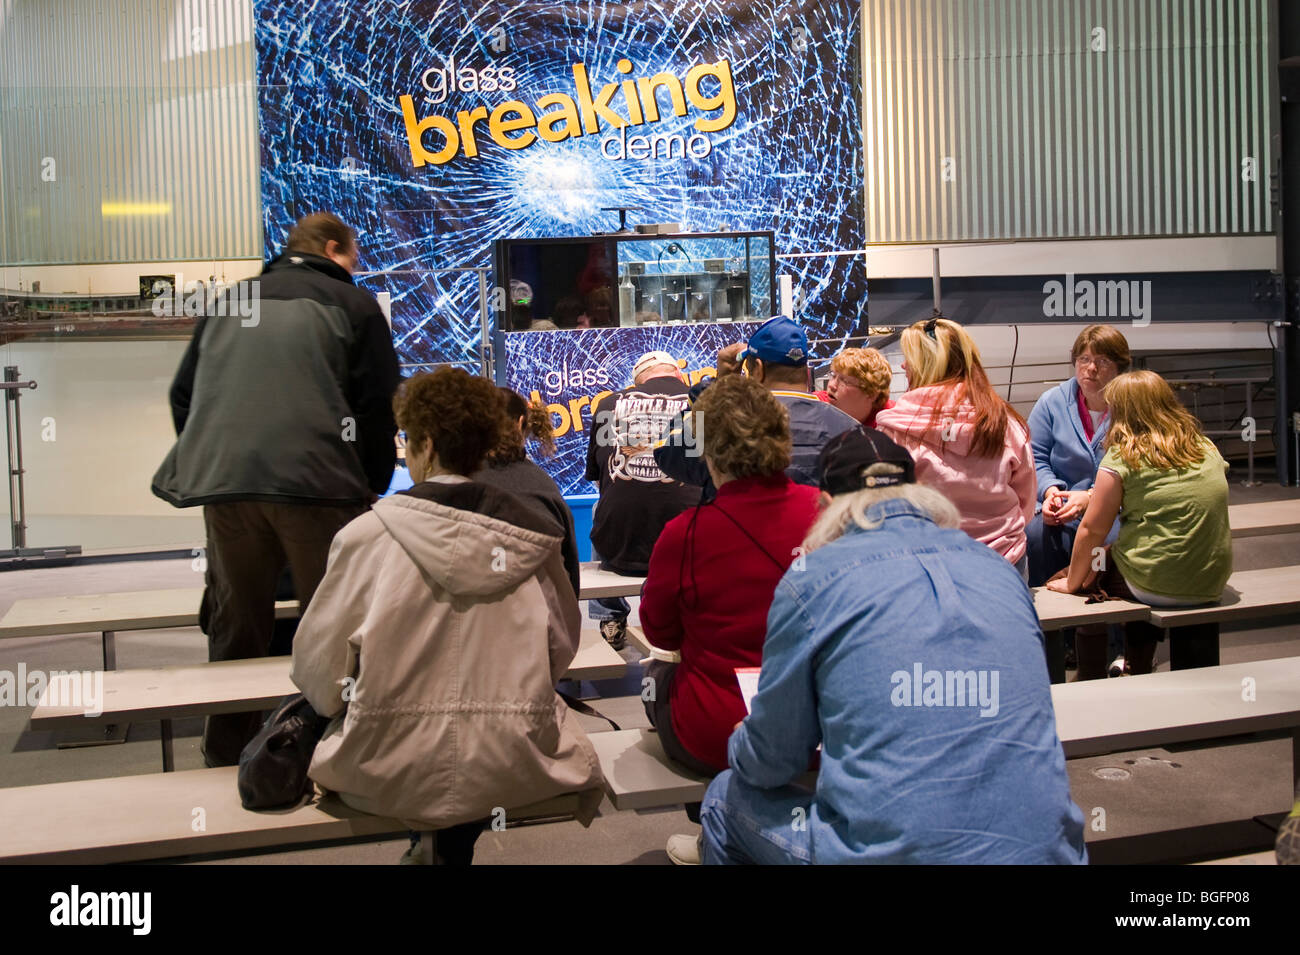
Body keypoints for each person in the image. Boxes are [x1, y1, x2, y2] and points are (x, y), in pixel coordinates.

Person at [699, 428, 1088, 865]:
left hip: (888, 855)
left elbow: (774, 760)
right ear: (919, 491)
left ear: (826, 507)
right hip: (1047, 853)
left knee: (722, 798)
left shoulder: (813, 578)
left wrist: (742, 744)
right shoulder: (998, 571)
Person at [291, 368, 603, 864]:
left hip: (385, 765)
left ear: (427, 445)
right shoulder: (532, 540)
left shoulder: (364, 538)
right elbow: (559, 652)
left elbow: (318, 675)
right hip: (514, 760)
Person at [152, 212, 400, 766]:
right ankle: (326, 747)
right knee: (328, 620)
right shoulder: (354, 306)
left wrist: (221, 461)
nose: (356, 267)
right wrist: (369, 485)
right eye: (354, 256)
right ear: (335, 248)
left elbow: (182, 396)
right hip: (317, 487)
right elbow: (377, 408)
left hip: (226, 487)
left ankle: (225, 746)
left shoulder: (230, 301)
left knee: (236, 619)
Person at [638, 376, 821, 865]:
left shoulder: (685, 534)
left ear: (708, 451)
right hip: (818, 729)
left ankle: (714, 826)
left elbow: (659, 633)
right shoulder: (829, 513)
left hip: (716, 731)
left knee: (654, 677)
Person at [1046, 371, 1232, 678]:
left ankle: (1089, 673)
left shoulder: (1122, 457)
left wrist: (1071, 582)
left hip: (1154, 581)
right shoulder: (1205, 447)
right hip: (1211, 580)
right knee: (1132, 563)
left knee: (1090, 568)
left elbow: (1093, 530)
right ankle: (1135, 664)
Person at [875, 317, 1035, 577]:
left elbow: (886, 511)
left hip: (927, 569)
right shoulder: (1005, 423)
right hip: (1004, 566)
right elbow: (1026, 501)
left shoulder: (895, 429)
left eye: (910, 358)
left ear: (929, 364)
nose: (903, 365)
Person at [655, 318, 857, 491]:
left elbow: (667, 451)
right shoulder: (850, 430)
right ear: (806, 371)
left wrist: (720, 390)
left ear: (758, 369)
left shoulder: (726, 428)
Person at [585, 350, 699, 649]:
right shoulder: (701, 401)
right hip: (688, 548)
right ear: (678, 374)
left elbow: (601, 478)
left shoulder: (609, 404)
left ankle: (610, 615)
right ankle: (689, 616)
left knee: (601, 504)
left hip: (621, 548)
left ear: (636, 382)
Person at [1026, 325, 1131, 587]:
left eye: (1102, 361)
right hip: (1062, 505)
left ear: (1119, 367)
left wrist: (1092, 497)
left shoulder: (1131, 407)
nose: (1090, 368)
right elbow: (1034, 458)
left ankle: (1104, 620)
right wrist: (1051, 493)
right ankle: (1051, 621)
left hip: (1114, 508)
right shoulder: (1051, 402)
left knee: (1111, 539)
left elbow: (1138, 465)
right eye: (1084, 359)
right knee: (1037, 534)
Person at [472, 387, 580, 596]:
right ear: (522, 423)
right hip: (541, 619)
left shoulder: (456, 485)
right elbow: (569, 579)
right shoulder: (545, 488)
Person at [825, 347, 896, 427]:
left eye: (844, 381)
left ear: (871, 394)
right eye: (833, 375)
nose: (831, 385)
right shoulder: (817, 402)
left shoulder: (892, 426)